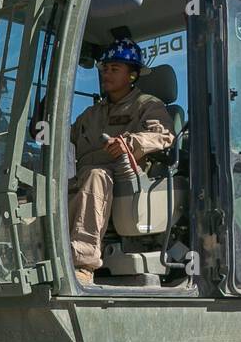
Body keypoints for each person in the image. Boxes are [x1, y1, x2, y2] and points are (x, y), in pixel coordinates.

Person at [67, 38, 176, 284]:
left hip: (126, 176)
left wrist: (130, 144)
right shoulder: (91, 114)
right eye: (105, 69)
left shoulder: (147, 105)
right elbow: (69, 139)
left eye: (114, 69)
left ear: (133, 75)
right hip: (85, 175)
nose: (107, 73)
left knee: (96, 176)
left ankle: (82, 265)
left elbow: (163, 136)